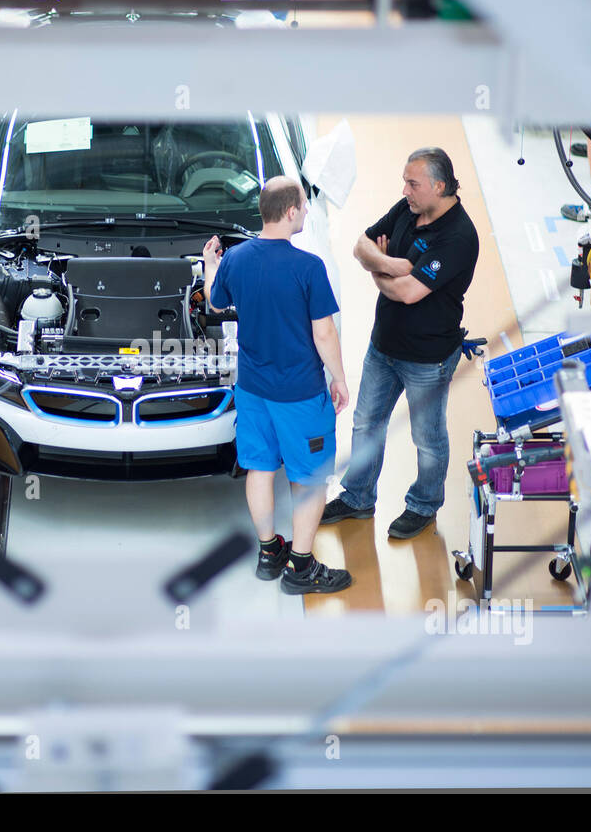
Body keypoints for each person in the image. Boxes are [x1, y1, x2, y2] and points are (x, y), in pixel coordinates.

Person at [203, 175, 353, 594]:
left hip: (252, 391)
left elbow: (214, 302)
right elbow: (324, 333)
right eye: (304, 206)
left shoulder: (236, 258)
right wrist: (339, 378)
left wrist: (210, 266)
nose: (307, 211)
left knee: (260, 468)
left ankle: (270, 553)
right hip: (300, 395)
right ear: (290, 212)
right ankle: (301, 568)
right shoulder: (308, 268)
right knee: (309, 479)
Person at [321, 147, 479, 539]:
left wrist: (378, 269)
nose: (405, 190)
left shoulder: (458, 236)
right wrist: (391, 264)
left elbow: (409, 293)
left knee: (427, 438)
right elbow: (361, 245)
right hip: (384, 345)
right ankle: (357, 497)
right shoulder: (409, 208)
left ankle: (424, 505)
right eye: (404, 182)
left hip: (427, 359)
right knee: (365, 424)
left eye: (413, 183)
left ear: (439, 186)